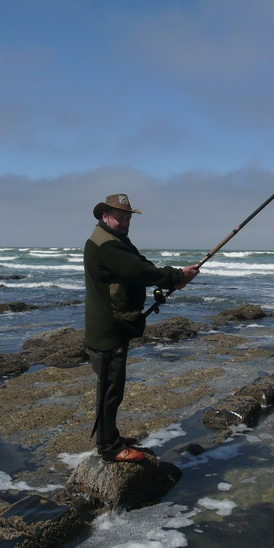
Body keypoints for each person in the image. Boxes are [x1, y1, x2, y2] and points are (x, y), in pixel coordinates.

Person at [84, 193, 199, 462]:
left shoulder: (114, 240)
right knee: (110, 390)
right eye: (119, 218)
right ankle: (110, 448)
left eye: (127, 218)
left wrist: (175, 277)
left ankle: (109, 437)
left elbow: (139, 264)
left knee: (112, 388)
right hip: (108, 329)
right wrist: (176, 276)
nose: (124, 222)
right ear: (105, 216)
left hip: (112, 325)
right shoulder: (107, 245)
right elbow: (138, 273)